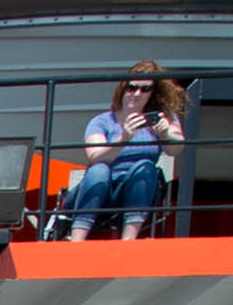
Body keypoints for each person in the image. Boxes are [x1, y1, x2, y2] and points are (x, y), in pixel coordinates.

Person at [56, 65, 185, 238]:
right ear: (123, 88)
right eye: (132, 87)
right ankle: (77, 241)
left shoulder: (163, 118)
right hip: (100, 189)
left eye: (145, 89)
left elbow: (177, 149)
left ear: (152, 93)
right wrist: (124, 137)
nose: (137, 94)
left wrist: (165, 133)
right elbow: (94, 156)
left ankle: (128, 241)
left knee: (145, 167)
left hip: (136, 190)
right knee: (99, 170)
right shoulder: (102, 121)